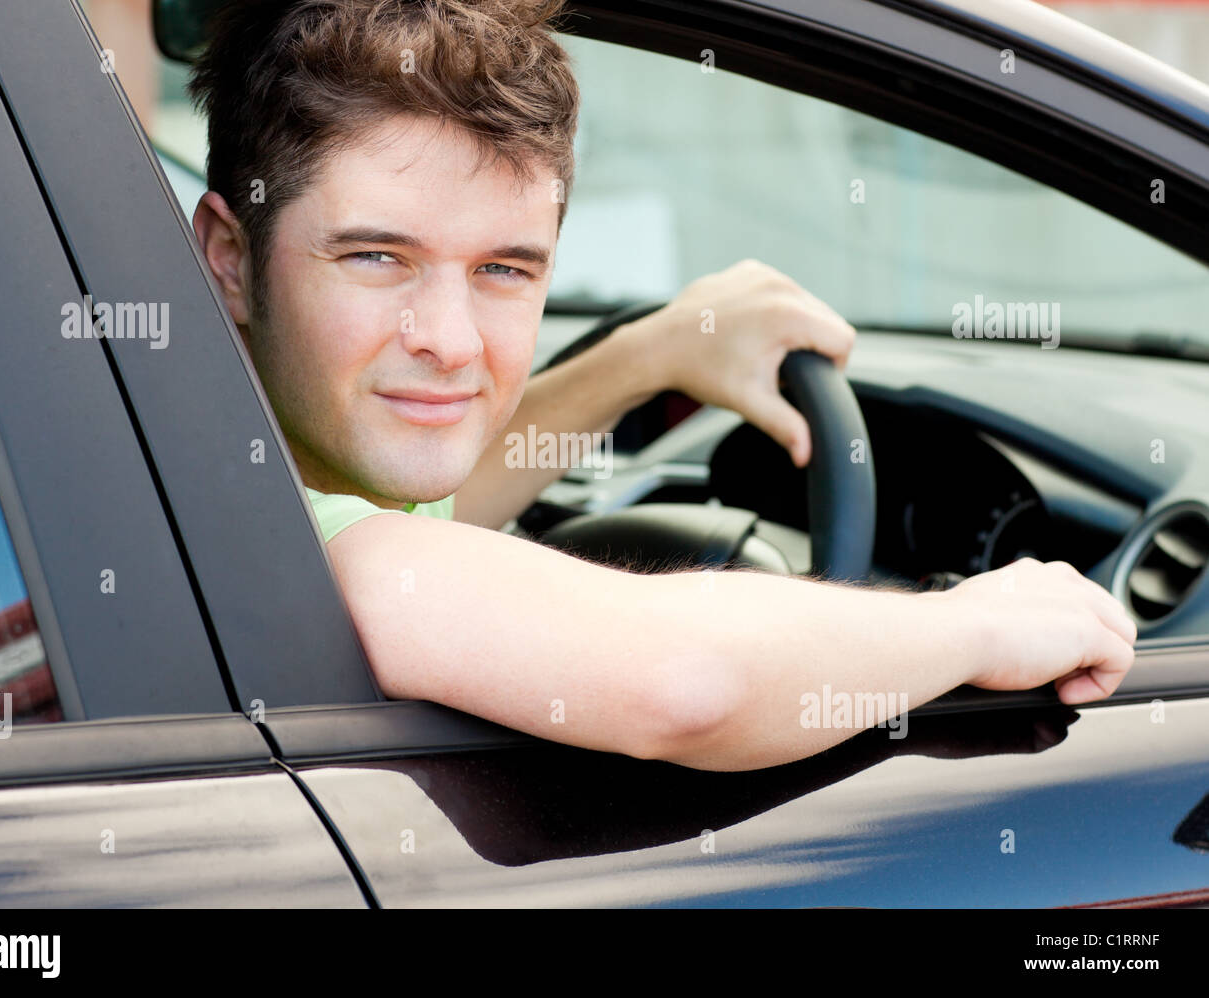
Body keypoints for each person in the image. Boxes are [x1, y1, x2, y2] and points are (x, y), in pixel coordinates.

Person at [188, 0, 1136, 772]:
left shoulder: (248, 467)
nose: (448, 341)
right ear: (231, 258)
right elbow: (687, 685)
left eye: (504, 271)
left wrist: (658, 353)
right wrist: (972, 624)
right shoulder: (303, 557)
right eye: (378, 257)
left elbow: (439, 507)